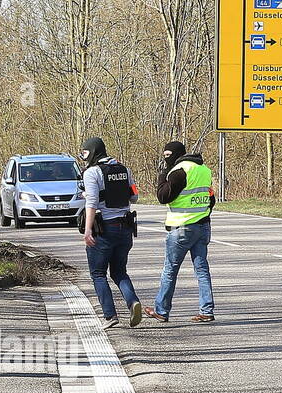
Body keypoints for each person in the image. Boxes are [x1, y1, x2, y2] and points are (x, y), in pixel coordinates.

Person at [146, 141, 217, 324]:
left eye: (168, 155)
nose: (166, 158)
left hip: (182, 228)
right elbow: (211, 199)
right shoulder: (204, 170)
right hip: (203, 227)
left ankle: (161, 311)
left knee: (170, 270)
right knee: (202, 269)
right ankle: (206, 310)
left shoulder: (179, 171)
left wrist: (162, 176)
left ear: (176, 155)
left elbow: (163, 196)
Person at [80, 136, 142, 328]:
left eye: (84, 153)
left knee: (98, 273)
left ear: (92, 152)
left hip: (105, 229)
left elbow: (91, 203)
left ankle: (110, 316)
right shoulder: (125, 170)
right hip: (125, 229)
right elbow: (135, 197)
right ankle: (133, 302)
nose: (83, 157)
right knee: (119, 271)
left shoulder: (92, 173)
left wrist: (88, 230)